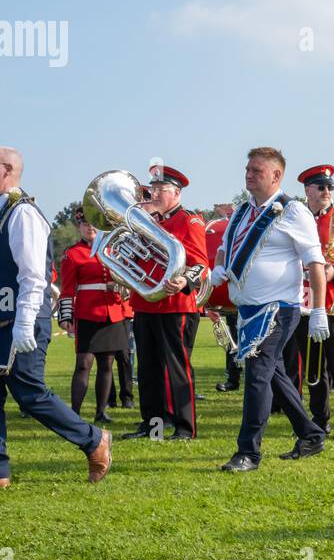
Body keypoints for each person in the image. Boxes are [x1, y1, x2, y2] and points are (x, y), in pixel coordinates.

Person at [0, 146, 111, 487]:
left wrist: (25, 321)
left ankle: (93, 439)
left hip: (18, 320)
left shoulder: (22, 214)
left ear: (6, 170)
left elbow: (34, 274)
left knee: (29, 393)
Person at [214, 147, 329, 472]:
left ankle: (248, 452)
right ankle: (310, 433)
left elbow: (315, 264)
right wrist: (218, 269)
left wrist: (318, 310)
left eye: (257, 171)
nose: (249, 174)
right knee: (273, 373)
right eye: (248, 169)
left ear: (276, 176)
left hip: (279, 309)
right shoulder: (239, 211)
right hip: (248, 309)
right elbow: (224, 249)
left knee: (257, 374)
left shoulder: (293, 211)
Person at [121, 165, 208, 442]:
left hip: (176, 305)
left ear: (177, 192)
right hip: (146, 302)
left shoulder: (189, 221)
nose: (154, 193)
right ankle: (154, 425)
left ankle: (185, 427)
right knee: (148, 368)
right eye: (153, 189)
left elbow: (201, 264)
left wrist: (184, 281)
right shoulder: (148, 221)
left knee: (177, 367)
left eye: (161, 189)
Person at [297, 164, 334, 440]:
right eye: (321, 187)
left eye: (330, 187)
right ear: (307, 190)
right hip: (304, 303)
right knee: (313, 369)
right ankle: (320, 420)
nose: (327, 191)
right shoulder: (297, 218)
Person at [58, 207, 131, 424]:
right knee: (83, 364)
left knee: (106, 364)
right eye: (85, 224)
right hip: (88, 313)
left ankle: (101, 411)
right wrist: (66, 316)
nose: (90, 228)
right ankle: (75, 412)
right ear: (79, 227)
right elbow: (67, 289)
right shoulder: (72, 254)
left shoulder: (113, 251)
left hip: (112, 312)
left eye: (93, 224)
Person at [204, 205, 244, 394]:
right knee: (231, 341)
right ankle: (233, 378)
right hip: (231, 295)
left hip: (250, 296)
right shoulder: (228, 235)